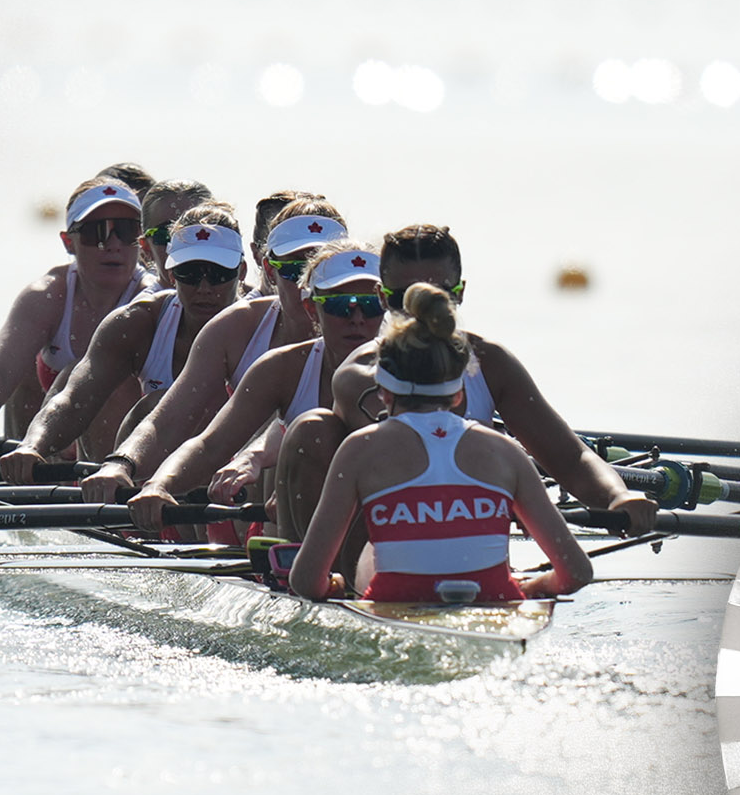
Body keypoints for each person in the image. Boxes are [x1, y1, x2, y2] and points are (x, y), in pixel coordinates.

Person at [273, 224, 656, 579]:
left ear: (460, 293)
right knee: (313, 430)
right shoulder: (358, 375)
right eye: (406, 299)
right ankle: (331, 588)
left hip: (462, 559)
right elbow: (415, 452)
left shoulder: (492, 363)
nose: (419, 316)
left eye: (436, 296)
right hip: (370, 559)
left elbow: (570, 458)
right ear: (382, 297)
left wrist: (618, 496)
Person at [288, 283, 595, 603]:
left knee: (369, 555)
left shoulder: (359, 449)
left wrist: (333, 586)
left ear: (384, 393)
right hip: (493, 603)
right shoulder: (506, 452)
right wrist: (532, 587)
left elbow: (306, 580)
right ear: (459, 394)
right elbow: (577, 573)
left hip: (395, 605)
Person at [78, 197, 346, 502]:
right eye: (294, 268)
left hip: (332, 495)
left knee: (310, 438)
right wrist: (124, 466)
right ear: (269, 272)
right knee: (166, 407)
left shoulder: (381, 346)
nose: (304, 284)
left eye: (323, 270)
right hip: (250, 501)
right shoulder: (233, 328)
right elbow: (171, 420)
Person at [124, 239, 386, 535]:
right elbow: (210, 446)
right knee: (313, 431)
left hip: (388, 514)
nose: (358, 319)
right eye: (340, 306)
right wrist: (160, 485)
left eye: (370, 305)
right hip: (309, 530)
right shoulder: (282, 368)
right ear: (312, 309)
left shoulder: (419, 369)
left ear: (386, 304)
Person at [0, 203, 247, 483]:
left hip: (240, 474)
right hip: (158, 471)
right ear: (171, 273)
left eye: (218, 274)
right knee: (137, 399)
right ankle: (112, 503)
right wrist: (34, 446)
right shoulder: (137, 322)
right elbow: (73, 400)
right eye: (190, 273)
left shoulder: (271, 327)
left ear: (242, 272)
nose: (204, 288)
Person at [0, 177, 148, 461]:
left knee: (99, 373)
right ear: (68, 242)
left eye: (125, 231)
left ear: (141, 240)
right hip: (55, 449)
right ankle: (21, 476)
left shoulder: (153, 300)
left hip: (131, 455)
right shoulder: (47, 295)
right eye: (96, 232)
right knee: (25, 367)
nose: (112, 245)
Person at [137, 179, 214, 284]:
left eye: (196, 232)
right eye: (167, 235)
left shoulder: (241, 298)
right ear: (147, 249)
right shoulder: (144, 300)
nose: (183, 245)